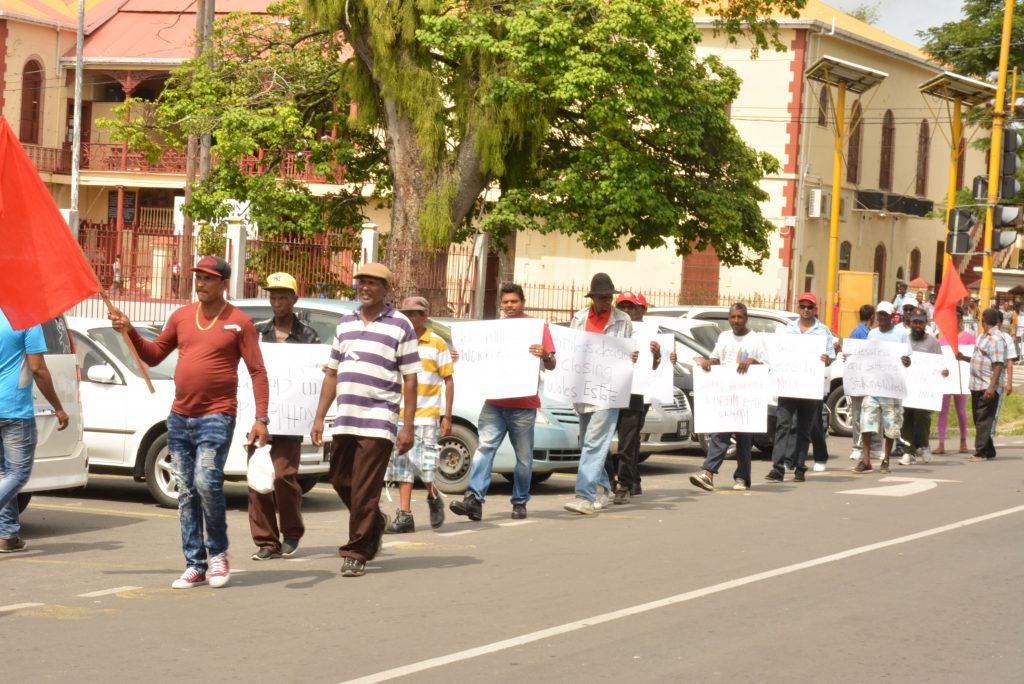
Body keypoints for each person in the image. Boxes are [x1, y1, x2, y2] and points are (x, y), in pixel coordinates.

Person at [110, 255, 270, 588]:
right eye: (197, 276)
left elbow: (257, 371)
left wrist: (261, 418)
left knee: (206, 483)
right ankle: (194, 563)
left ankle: (218, 556)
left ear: (223, 284)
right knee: (186, 491)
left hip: (217, 415)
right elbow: (154, 354)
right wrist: (129, 332)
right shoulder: (181, 316)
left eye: (208, 278)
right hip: (180, 417)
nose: (200, 283)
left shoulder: (239, 322)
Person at [310, 263, 421, 577]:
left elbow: (410, 379)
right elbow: (332, 373)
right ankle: (374, 523)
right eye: (362, 282)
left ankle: (356, 550)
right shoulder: (345, 323)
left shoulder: (401, 325)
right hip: (345, 418)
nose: (366, 288)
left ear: (386, 289)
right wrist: (319, 417)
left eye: (373, 283)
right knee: (340, 479)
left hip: (379, 419)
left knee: (364, 489)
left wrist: (407, 425)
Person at [449, 283, 556, 521]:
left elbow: (552, 364)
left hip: (523, 405)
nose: (509, 306)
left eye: (514, 301)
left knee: (524, 458)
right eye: (505, 302)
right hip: (494, 403)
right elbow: (473, 358)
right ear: (501, 304)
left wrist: (545, 354)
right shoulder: (492, 330)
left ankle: (520, 501)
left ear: (523, 302)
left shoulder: (536, 327)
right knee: (484, 449)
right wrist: (459, 356)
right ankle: (474, 499)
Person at [248, 272, 321, 561]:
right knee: (258, 480)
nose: (277, 302)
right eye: (273, 296)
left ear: (294, 299)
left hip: (290, 421)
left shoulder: (308, 336)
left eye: (283, 297)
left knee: (284, 477)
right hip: (258, 418)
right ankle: (266, 541)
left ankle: (291, 534)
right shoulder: (257, 332)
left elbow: (313, 378)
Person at [0, 310, 70, 553]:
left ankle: (8, 535)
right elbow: (38, 368)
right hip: (14, 409)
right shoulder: (27, 318)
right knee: (18, 473)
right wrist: (59, 408)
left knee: (3, 474)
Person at [384, 296, 454, 533]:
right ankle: (405, 515)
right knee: (402, 464)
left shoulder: (437, 344)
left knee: (424, 465)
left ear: (425, 316)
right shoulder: (398, 342)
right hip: (400, 414)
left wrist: (448, 415)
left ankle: (433, 496)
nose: (410, 318)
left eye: (414, 314)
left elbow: (448, 380)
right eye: (406, 313)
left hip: (426, 414)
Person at [565, 273, 632, 515]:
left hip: (608, 392)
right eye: (602, 297)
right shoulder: (579, 318)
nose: (607, 301)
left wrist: (630, 356)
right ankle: (605, 487)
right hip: (584, 390)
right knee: (589, 443)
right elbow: (571, 351)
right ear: (592, 297)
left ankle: (584, 495)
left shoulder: (622, 320)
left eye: (609, 297)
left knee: (594, 442)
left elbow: (626, 352)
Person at [689, 303, 767, 492]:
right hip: (725, 395)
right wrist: (709, 362)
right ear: (728, 319)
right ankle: (708, 474)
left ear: (746, 318)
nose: (736, 321)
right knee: (720, 433)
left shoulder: (755, 339)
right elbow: (717, 358)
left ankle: (742, 478)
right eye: (733, 317)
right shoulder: (724, 337)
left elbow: (767, 365)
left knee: (744, 438)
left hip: (746, 396)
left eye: (740, 317)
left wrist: (753, 361)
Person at [607, 291, 672, 503]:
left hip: (636, 393)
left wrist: (659, 357)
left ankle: (627, 483)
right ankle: (610, 481)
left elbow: (654, 368)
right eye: (623, 307)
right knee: (604, 440)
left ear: (640, 309)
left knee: (629, 443)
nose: (626, 311)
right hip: (611, 391)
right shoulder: (610, 328)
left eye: (631, 307)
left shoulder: (649, 332)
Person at [765, 292, 834, 483]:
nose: (805, 310)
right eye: (802, 306)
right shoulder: (787, 330)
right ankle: (777, 468)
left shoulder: (823, 331)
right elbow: (775, 355)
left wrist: (827, 359)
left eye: (809, 307)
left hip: (809, 388)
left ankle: (800, 468)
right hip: (788, 387)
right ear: (798, 307)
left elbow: (830, 357)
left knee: (804, 430)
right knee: (783, 426)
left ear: (815, 309)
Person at [852, 302, 910, 474]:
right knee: (866, 422)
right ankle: (866, 459)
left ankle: (886, 459)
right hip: (873, 385)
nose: (882, 318)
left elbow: (907, 359)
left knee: (891, 424)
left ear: (892, 316)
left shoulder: (901, 335)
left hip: (891, 387)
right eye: (879, 314)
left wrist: (906, 361)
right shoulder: (872, 334)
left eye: (885, 314)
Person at [957, 308, 1006, 461]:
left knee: (984, 419)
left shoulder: (997, 339)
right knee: (979, 418)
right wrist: (963, 357)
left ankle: (980, 452)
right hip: (976, 384)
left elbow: (998, 365)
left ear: (984, 321)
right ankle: (989, 449)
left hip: (987, 385)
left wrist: (992, 387)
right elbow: (977, 358)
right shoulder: (982, 337)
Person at [899, 307, 944, 466]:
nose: (917, 325)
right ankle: (908, 451)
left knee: (922, 417)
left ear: (926, 323)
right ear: (909, 323)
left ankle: (924, 446)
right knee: (906, 418)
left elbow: (940, 364)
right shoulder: (904, 339)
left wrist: (943, 372)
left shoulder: (932, 342)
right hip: (906, 387)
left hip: (924, 390)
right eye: (914, 322)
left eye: (920, 322)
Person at [936, 307, 975, 455]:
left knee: (961, 410)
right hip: (947, 378)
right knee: (943, 410)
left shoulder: (969, 338)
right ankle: (941, 444)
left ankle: (963, 441)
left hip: (961, 379)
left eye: (958, 318)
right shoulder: (943, 338)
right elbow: (941, 359)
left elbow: (973, 358)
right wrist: (942, 370)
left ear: (961, 320)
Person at [846, 304, 881, 464]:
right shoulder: (859, 333)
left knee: (871, 413)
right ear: (872, 317)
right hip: (859, 380)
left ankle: (873, 447)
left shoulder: (872, 333)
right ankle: (857, 447)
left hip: (870, 379)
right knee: (859, 413)